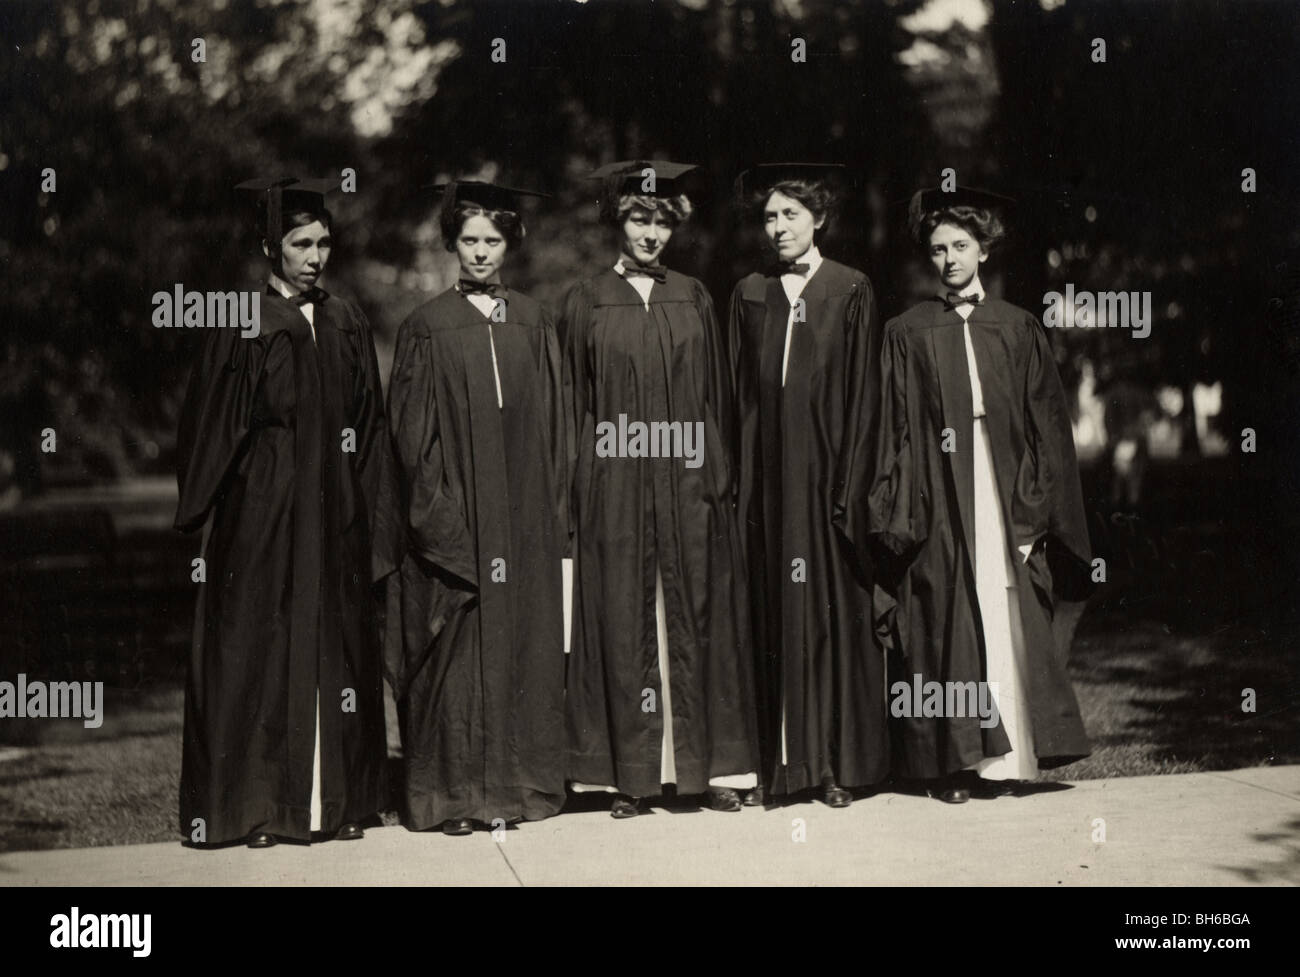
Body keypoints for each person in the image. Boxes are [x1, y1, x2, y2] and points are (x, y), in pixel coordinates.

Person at [174, 177, 395, 847]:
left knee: (337, 656)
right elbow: (210, 425)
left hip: (333, 518)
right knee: (259, 653)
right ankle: (258, 808)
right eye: (301, 242)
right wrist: (209, 511)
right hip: (264, 519)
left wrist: (366, 511)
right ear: (271, 245)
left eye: (324, 241)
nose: (316, 255)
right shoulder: (245, 321)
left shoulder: (345, 319)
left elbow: (370, 423)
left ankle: (339, 803)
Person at [869, 186, 1092, 803]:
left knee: (1005, 619)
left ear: (983, 249)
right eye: (938, 249)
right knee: (948, 622)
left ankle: (1011, 760)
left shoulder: (1017, 327)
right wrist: (899, 509)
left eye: (960, 246)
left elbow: (1048, 429)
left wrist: (1032, 514)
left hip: (1004, 496)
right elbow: (894, 428)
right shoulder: (906, 332)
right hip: (938, 498)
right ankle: (958, 762)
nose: (949, 259)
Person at [562, 160, 759, 818]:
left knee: (699, 612)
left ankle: (714, 769)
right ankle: (631, 776)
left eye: (660, 221)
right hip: (616, 484)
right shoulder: (585, 301)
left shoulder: (694, 296)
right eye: (638, 219)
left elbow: (715, 400)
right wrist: (585, 485)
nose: (650, 233)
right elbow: (575, 406)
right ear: (618, 220)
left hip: (687, 483)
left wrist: (715, 478)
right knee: (625, 618)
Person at [384, 180, 567, 836]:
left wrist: (552, 519)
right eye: (469, 239)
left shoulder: (536, 321)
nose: (482, 252)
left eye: (493, 239)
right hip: (456, 529)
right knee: (456, 665)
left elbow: (556, 431)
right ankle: (454, 797)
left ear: (510, 240)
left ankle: (521, 787)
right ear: (452, 243)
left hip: (524, 530)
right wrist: (442, 528)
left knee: (525, 651)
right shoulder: (427, 328)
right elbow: (411, 443)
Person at [727, 163, 888, 808]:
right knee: (770, 621)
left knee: (827, 622)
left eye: (791, 214)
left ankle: (830, 767)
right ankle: (773, 767)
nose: (778, 227)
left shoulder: (851, 289)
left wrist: (849, 485)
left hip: (827, 487)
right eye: (769, 217)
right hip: (769, 490)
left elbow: (864, 398)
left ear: (818, 218)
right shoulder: (748, 292)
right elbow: (737, 398)